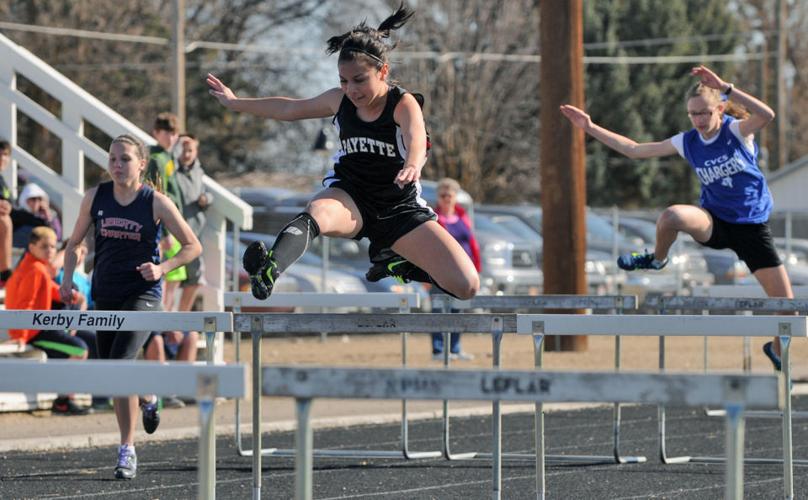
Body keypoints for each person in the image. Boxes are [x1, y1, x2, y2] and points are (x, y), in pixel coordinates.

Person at [206, 3, 478, 302]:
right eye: (344, 81)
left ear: (383, 71)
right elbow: (290, 108)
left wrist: (413, 164)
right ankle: (270, 268)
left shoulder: (402, 103)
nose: (352, 90)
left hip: (398, 207)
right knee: (317, 212)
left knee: (467, 286)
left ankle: (395, 263)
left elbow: (414, 134)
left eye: (360, 80)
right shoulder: (339, 101)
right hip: (351, 197)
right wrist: (236, 102)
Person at [560, 65, 793, 371]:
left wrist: (726, 86)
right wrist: (590, 127)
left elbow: (767, 116)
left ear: (720, 109)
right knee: (671, 216)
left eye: (704, 113)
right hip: (713, 221)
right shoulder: (688, 142)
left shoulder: (735, 131)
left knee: (788, 309)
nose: (698, 121)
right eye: (692, 115)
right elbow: (633, 149)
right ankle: (657, 259)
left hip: (751, 228)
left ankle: (775, 352)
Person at [59, 134, 201, 480]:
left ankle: (127, 450)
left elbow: (192, 246)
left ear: (141, 164)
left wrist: (162, 268)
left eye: (125, 159)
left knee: (121, 366)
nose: (118, 166)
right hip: (105, 292)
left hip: (143, 294)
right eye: (112, 160)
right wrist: (66, 280)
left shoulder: (156, 202)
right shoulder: (95, 197)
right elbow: (74, 243)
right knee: (113, 373)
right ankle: (149, 395)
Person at [5, 226, 94, 415]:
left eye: (53, 247)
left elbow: (50, 290)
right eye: (44, 246)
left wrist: (72, 295)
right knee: (80, 349)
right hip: (32, 333)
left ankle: (65, 398)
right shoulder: (35, 269)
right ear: (31, 247)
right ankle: (63, 401)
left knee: (80, 345)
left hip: (37, 328)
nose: (50, 251)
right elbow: (25, 305)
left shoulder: (36, 266)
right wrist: (21, 336)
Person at [430, 178, 481, 361]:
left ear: (455, 197)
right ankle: (438, 349)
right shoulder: (432, 217)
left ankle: (455, 347)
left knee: (457, 310)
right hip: (439, 272)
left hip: (462, 273)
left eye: (449, 195)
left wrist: (476, 267)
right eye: (442, 195)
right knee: (438, 311)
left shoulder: (462, 216)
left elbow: (472, 243)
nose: (446, 198)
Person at [13, 182, 63, 247]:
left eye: (40, 199)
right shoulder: (18, 215)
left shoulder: (50, 216)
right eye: (33, 199)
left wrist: (48, 217)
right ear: (25, 199)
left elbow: (57, 236)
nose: (37, 202)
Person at [0, 140, 13, 286]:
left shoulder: (2, 180)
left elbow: (12, 204)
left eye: (5, 154)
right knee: (5, 221)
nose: (2, 158)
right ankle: (5, 274)